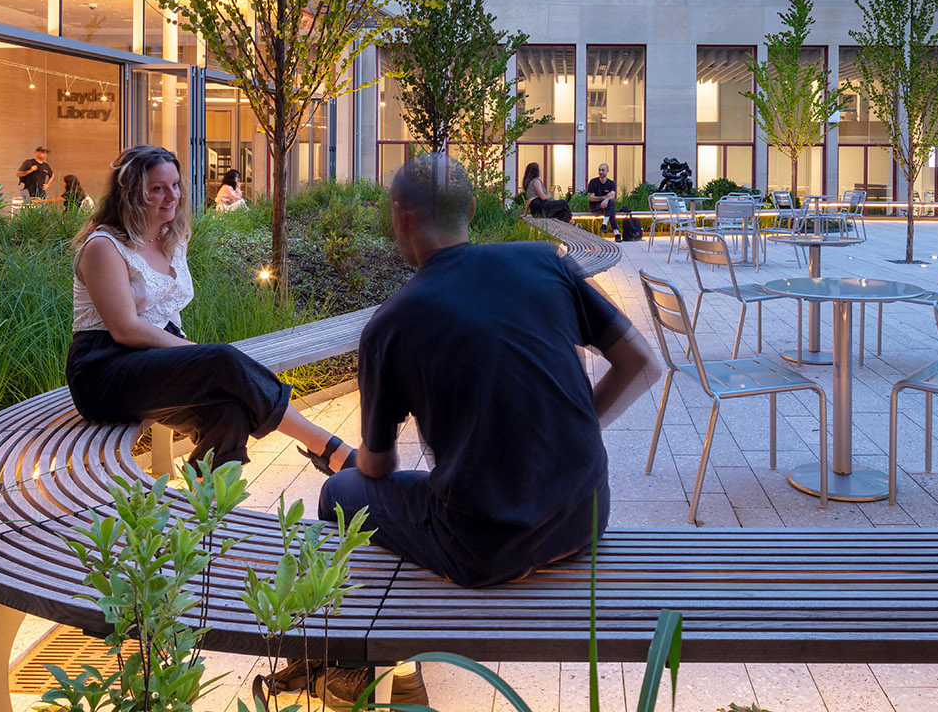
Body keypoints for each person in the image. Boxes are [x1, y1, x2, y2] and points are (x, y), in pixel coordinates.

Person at [312, 153, 656, 704]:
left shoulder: (391, 324)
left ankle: (362, 667)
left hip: (483, 548)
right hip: (587, 516)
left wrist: (342, 458)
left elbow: (378, 469)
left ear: (400, 216)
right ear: (472, 208)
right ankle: (387, 667)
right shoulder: (545, 262)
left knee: (337, 495)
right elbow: (643, 362)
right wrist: (566, 428)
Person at [66, 144, 355, 475]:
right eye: (157, 188)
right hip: (104, 371)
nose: (171, 195)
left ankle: (211, 509)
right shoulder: (104, 247)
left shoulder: (169, 238)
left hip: (149, 366)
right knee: (221, 359)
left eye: (174, 185)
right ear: (130, 193)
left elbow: (162, 318)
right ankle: (328, 447)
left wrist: (195, 359)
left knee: (229, 411)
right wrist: (198, 355)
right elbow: (126, 329)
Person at [586, 163, 618, 232]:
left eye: (603, 170)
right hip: (595, 207)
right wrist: (605, 197)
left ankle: (608, 227)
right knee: (611, 206)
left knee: (610, 205)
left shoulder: (611, 183)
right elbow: (592, 198)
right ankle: (614, 231)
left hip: (606, 207)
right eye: (599, 170)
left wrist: (607, 199)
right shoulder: (593, 182)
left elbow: (613, 195)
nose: (601, 172)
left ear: (607, 171)